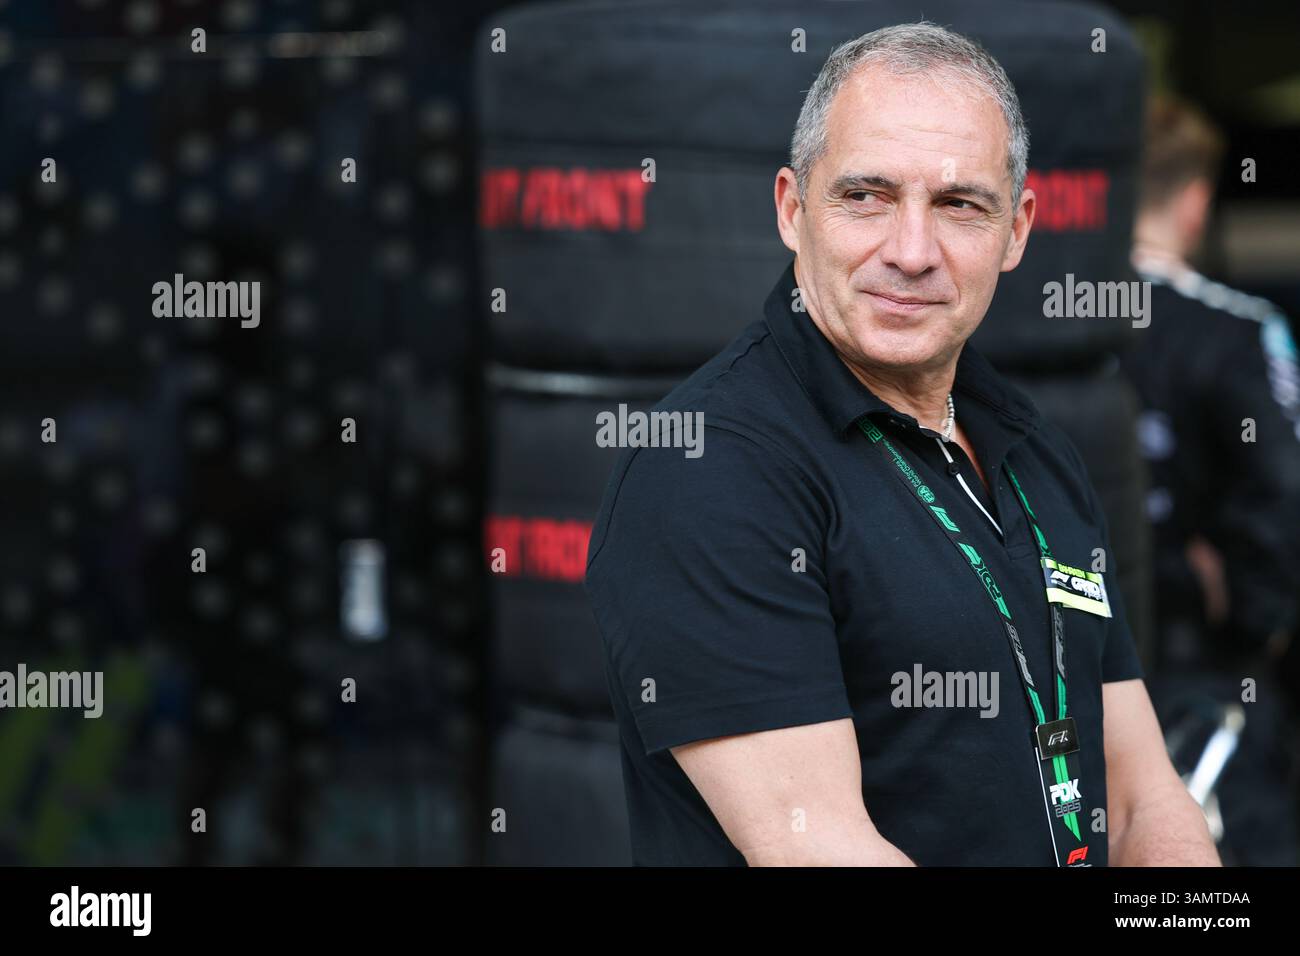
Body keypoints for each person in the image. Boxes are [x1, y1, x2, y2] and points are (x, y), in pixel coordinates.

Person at [584, 23, 1219, 866]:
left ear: (1018, 230)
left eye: (960, 205)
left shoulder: (1035, 451)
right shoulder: (707, 472)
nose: (911, 252)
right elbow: (824, 849)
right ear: (791, 208)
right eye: (866, 196)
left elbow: (1144, 801)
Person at [1119, 94, 1300, 864]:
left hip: (1059, 676)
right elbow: (1285, 490)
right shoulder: (1237, 330)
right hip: (1210, 674)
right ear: (1195, 202)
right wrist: (1259, 620)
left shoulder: (1034, 329)